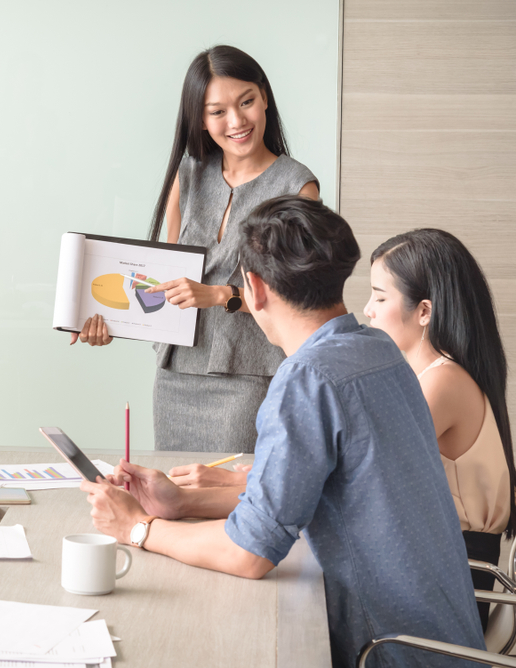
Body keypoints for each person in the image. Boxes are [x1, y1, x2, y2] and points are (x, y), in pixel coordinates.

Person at [81, 196, 484, 667]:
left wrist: (137, 528)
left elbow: (249, 554)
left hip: (395, 653)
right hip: (449, 643)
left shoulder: (307, 379)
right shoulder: (377, 349)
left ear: (252, 288)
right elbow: (295, 498)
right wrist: (181, 503)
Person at [72, 45, 319, 453]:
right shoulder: (187, 174)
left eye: (246, 102)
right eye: (217, 111)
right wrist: (111, 322)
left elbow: (303, 301)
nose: (236, 121)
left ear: (265, 98)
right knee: (174, 492)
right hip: (175, 375)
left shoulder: (296, 187)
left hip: (250, 376)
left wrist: (223, 295)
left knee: (228, 500)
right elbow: (161, 283)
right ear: (200, 119)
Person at [364, 228, 515, 631]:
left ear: (424, 311)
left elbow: (363, 473)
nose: (368, 310)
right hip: (439, 572)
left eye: (380, 297)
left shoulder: (443, 381)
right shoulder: (430, 375)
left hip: (449, 588)